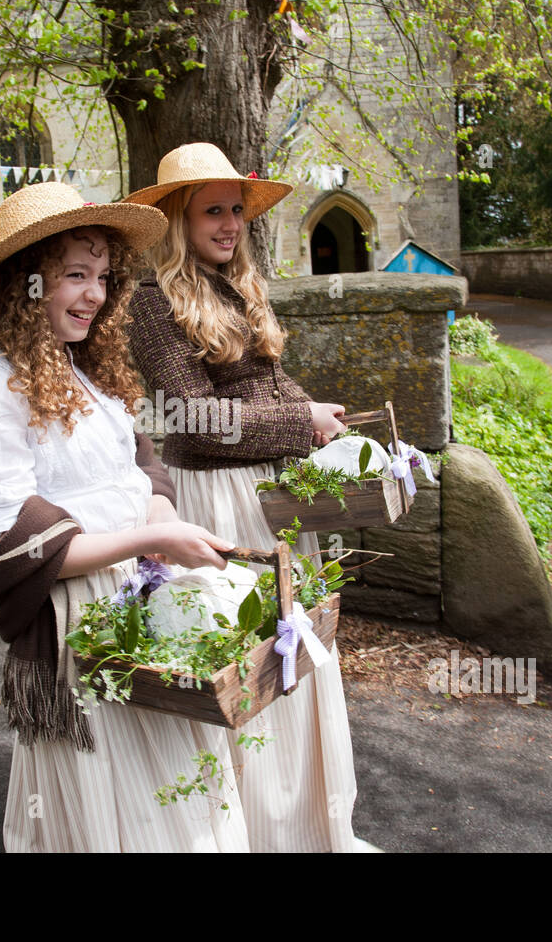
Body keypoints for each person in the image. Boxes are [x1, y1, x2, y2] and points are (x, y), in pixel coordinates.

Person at [0, 181, 257, 852]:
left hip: (139, 590)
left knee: (173, 766)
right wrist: (151, 538)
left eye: (103, 277)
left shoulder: (90, 372)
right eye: (74, 276)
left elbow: (142, 468)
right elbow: (17, 545)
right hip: (78, 621)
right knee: (114, 794)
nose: (94, 294)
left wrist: (163, 529)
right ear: (23, 287)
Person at [124, 142, 365, 852]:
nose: (229, 224)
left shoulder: (240, 284)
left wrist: (312, 411)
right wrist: (298, 421)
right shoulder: (150, 303)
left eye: (236, 209)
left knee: (294, 656)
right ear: (178, 219)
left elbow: (270, 382)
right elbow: (197, 421)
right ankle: (248, 832)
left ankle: (300, 826)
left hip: (269, 491)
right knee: (247, 665)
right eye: (212, 211)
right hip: (218, 500)